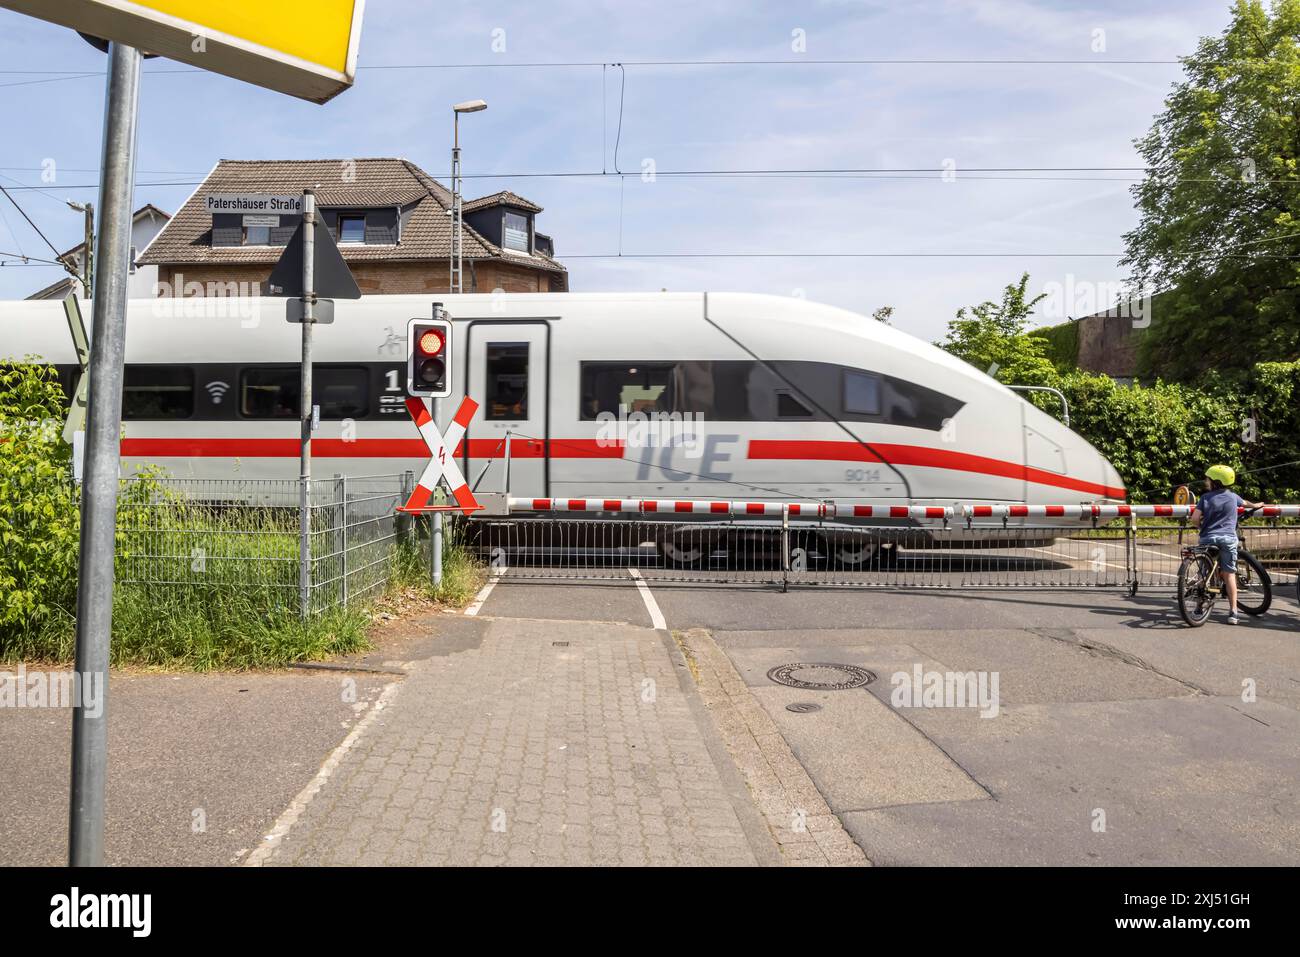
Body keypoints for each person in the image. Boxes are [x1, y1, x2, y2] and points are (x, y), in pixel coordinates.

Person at [1189, 465, 1262, 624]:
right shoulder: (1233, 496)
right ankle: (1233, 612)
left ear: (1215, 482)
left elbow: (1194, 519)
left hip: (1208, 539)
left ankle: (1199, 607)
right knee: (1229, 575)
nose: (1206, 481)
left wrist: (1202, 528)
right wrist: (1256, 505)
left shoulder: (1205, 498)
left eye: (1208, 479)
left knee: (1205, 572)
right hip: (1228, 539)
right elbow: (1246, 503)